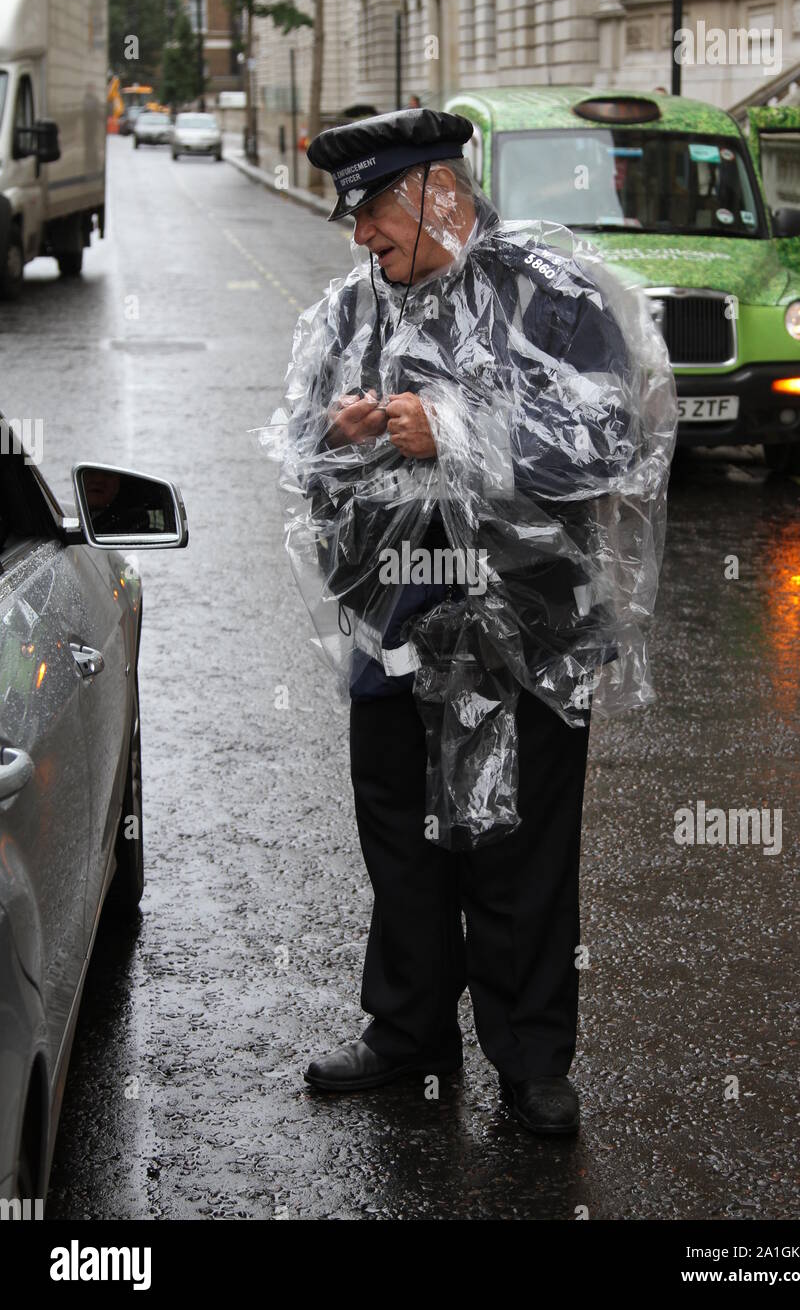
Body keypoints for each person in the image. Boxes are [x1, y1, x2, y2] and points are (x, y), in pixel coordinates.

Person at [254, 108, 676, 1135]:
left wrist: (451, 427)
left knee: (518, 848)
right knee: (402, 834)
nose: (357, 237)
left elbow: (610, 438)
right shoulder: (349, 314)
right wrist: (342, 433)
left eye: (369, 212)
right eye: (352, 218)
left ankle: (531, 1060)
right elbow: (300, 451)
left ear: (439, 195)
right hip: (395, 620)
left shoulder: (551, 292)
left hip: (528, 625)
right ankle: (406, 1033)